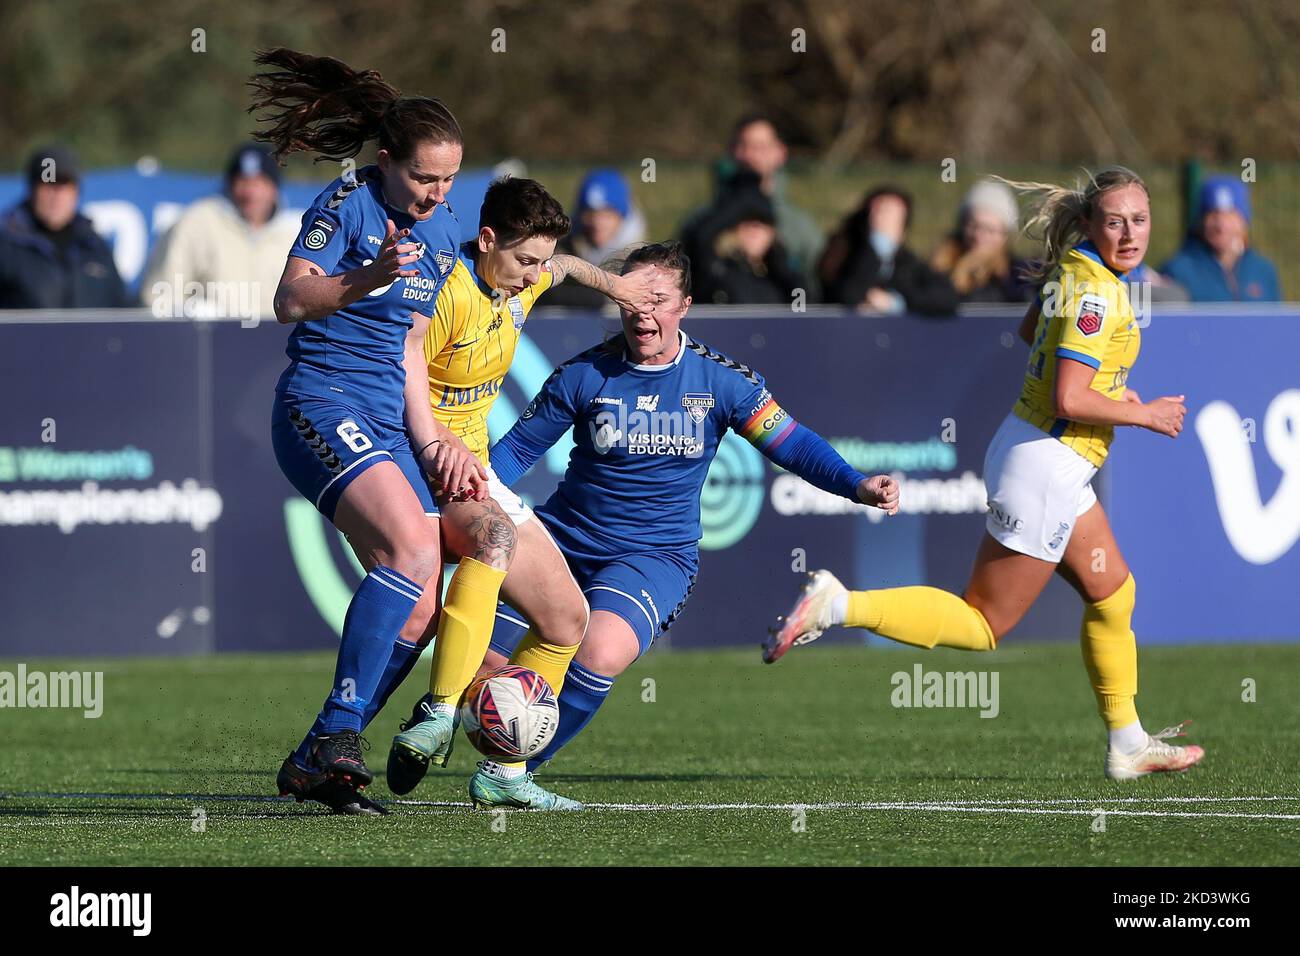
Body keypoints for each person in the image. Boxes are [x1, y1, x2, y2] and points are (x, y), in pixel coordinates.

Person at [766, 167, 1205, 783]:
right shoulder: (1098, 293)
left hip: (1044, 457)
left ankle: (1128, 741)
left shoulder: (1079, 268)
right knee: (982, 623)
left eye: (1139, 219)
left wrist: (1105, 384)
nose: (1129, 233)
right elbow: (1069, 398)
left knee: (1114, 593)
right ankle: (839, 605)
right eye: (1115, 221)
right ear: (1090, 225)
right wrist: (1142, 413)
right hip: (1048, 465)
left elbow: (1031, 333)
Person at [473, 241, 898, 791]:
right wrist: (463, 499)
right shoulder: (583, 375)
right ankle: (413, 730)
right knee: (487, 665)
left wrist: (857, 484)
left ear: (685, 306)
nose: (642, 312)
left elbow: (792, 443)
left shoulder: (722, 381)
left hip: (654, 557)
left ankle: (513, 771)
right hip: (561, 540)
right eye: (630, 297)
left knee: (600, 651)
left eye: (658, 299)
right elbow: (512, 456)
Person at [250, 47, 479, 816]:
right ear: (386, 162)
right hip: (318, 401)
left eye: (448, 179)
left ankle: (319, 755)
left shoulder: (444, 230)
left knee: (422, 599)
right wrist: (366, 279)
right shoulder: (345, 205)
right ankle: (344, 730)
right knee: (410, 551)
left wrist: (431, 443)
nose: (437, 193)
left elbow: (413, 348)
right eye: (423, 177)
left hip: (385, 416)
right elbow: (288, 301)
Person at [381, 176, 658, 811]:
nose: (533, 274)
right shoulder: (447, 292)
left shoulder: (524, 279)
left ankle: (504, 773)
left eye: (537, 261)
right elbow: (401, 366)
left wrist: (616, 285)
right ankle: (438, 711)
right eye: (523, 260)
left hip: (473, 465)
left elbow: (562, 266)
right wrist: (434, 444)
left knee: (566, 620)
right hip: (421, 459)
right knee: (494, 538)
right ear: (486, 241)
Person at [140, 143, 300, 319]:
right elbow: (159, 295)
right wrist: (188, 315)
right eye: (242, 182)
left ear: (274, 188)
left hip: (274, 342)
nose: (250, 193)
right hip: (208, 342)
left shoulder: (292, 234)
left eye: (259, 183)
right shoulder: (197, 223)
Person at [681, 114, 822, 294]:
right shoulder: (700, 221)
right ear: (732, 151)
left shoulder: (799, 225)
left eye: (762, 146)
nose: (752, 155)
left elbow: (815, 288)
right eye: (744, 145)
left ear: (781, 152)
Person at [0, 145, 129, 309]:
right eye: (48, 186)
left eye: (64, 185)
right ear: (32, 190)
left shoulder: (95, 247)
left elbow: (122, 310)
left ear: (76, 192)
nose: (56, 196)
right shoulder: (6, 245)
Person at [819, 186, 959, 316]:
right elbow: (847, 294)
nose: (880, 219)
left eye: (890, 216)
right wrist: (873, 248)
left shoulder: (907, 263)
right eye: (876, 213)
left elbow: (947, 298)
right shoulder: (842, 255)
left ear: (902, 228)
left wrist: (897, 303)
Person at [686, 172, 806, 305]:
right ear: (731, 230)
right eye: (747, 223)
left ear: (772, 234)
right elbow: (700, 238)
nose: (754, 230)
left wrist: (781, 266)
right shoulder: (714, 268)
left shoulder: (779, 274)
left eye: (761, 223)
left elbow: (805, 305)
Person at [1159, 175, 1280, 302]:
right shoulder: (1177, 272)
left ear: (1244, 221)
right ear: (1201, 221)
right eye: (1213, 214)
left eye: (1230, 214)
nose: (1222, 225)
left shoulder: (1264, 271)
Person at [544, 168, 647, 309]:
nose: (597, 222)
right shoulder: (556, 252)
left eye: (607, 213)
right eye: (590, 213)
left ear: (622, 216)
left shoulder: (640, 262)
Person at [929, 180, 1033, 304]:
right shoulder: (940, 268)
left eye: (990, 230)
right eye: (973, 226)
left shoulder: (1017, 278)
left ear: (1005, 235)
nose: (979, 236)